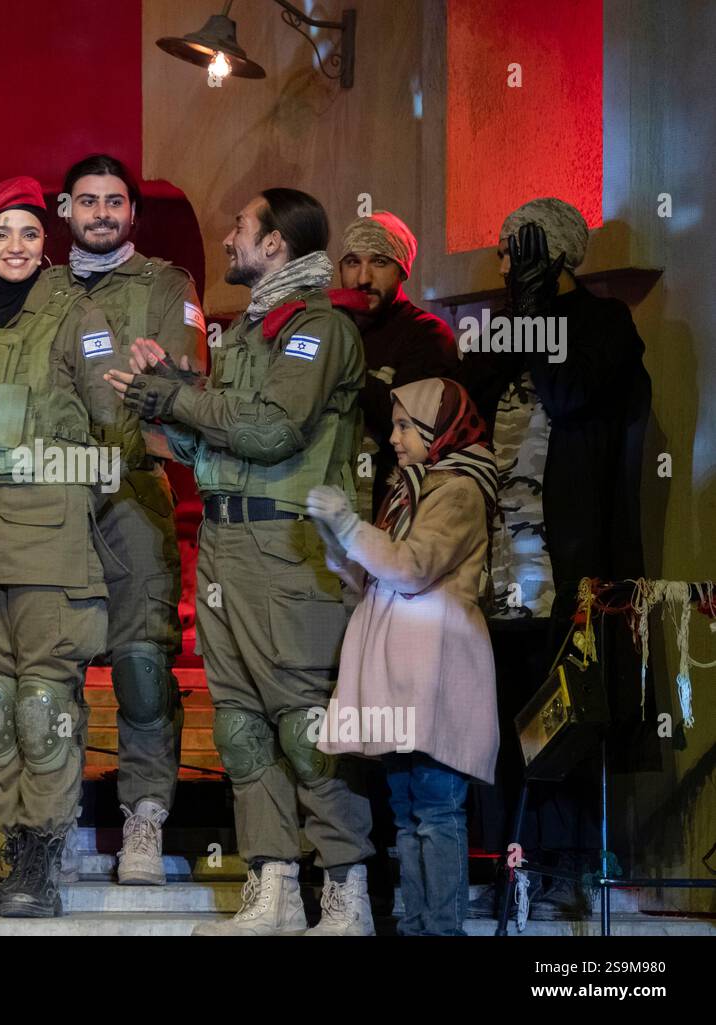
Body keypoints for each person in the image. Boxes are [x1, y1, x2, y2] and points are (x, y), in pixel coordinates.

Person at [106, 188, 376, 935]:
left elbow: (272, 431)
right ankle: (273, 882)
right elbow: (211, 444)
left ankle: (345, 890)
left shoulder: (317, 329)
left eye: (241, 229)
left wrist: (182, 399)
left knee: (304, 721)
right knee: (240, 723)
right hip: (226, 540)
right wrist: (159, 397)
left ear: (278, 245)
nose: (228, 240)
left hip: (290, 547)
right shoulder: (251, 333)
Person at [0, 176, 143, 918]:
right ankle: (17, 851)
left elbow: (118, 430)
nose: (16, 247)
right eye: (1, 235)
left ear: (43, 242)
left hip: (50, 544)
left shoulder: (78, 317)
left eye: (27, 233)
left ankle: (44, 864)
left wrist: (66, 478)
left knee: (41, 705)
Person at [457, 198, 653, 918]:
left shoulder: (603, 325)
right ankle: (506, 866)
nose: (504, 265)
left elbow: (570, 396)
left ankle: (566, 864)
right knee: (498, 723)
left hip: (566, 571)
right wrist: (523, 315)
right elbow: (463, 403)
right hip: (492, 572)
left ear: (551, 255)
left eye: (516, 251)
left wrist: (542, 311)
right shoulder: (502, 329)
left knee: (563, 723)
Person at [43, 154, 207, 884]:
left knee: (141, 663)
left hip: (132, 490)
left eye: (115, 201)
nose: (102, 213)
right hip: (48, 497)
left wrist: (162, 378)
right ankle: (55, 822)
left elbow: (194, 381)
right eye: (88, 200)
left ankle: (143, 819)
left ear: (132, 214)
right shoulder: (40, 286)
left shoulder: (168, 284)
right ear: (64, 208)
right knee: (52, 669)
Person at [307, 377, 501, 935]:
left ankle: (439, 929)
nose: (392, 438)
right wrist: (337, 540)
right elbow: (373, 575)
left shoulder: (459, 491)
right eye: (392, 426)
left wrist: (351, 528)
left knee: (436, 809)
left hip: (435, 670)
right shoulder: (408, 489)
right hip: (396, 671)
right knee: (408, 809)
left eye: (403, 426)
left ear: (436, 429)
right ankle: (417, 925)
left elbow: (413, 566)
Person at [336, 212, 458, 520]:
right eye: (352, 262)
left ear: (402, 270)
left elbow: (415, 429)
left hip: (388, 515)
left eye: (379, 262)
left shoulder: (426, 334)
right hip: (325, 514)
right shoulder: (329, 330)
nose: (363, 279)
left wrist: (343, 368)